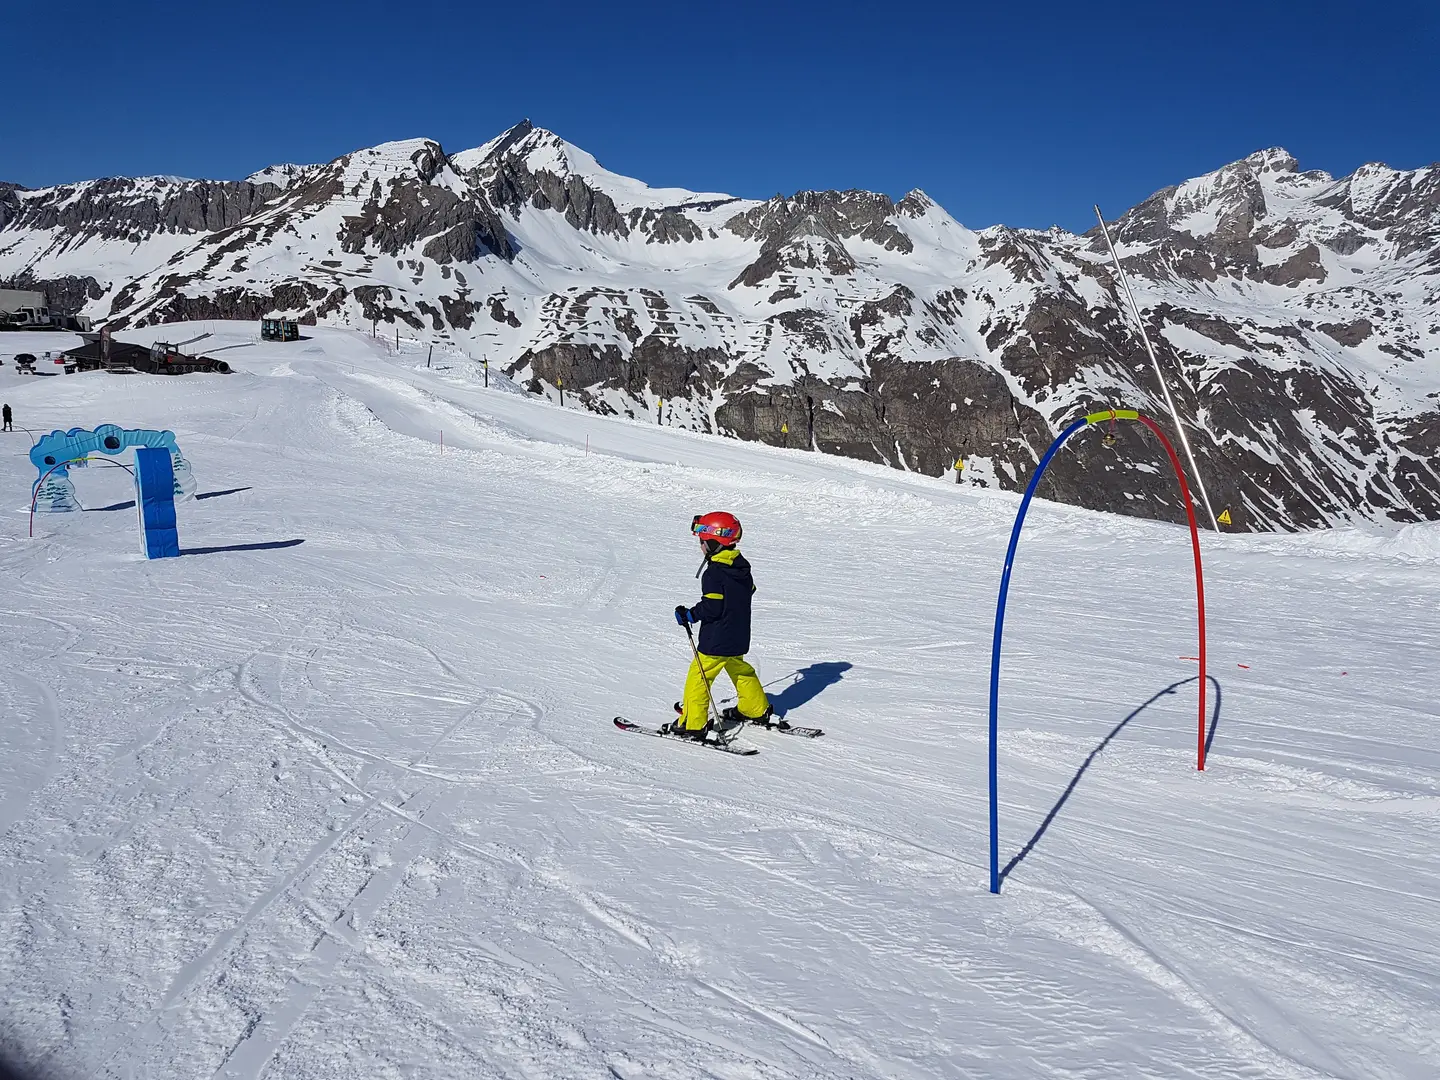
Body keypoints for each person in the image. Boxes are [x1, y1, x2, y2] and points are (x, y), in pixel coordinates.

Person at [667, 512, 772, 740]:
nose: (701, 547)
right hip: (739, 635)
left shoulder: (714, 573)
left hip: (716, 640)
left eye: (702, 542)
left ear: (714, 542)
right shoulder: (742, 566)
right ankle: (756, 709)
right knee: (740, 670)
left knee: (700, 677)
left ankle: (693, 723)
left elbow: (713, 607)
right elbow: (748, 592)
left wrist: (690, 615)